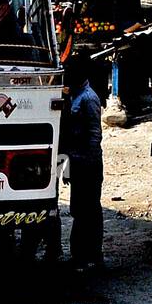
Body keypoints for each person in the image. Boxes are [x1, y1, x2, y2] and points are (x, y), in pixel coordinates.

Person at [64, 50, 105, 271]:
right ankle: (83, 255)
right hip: (79, 162)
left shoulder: (88, 98)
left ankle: (89, 255)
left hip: (87, 164)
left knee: (88, 211)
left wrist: (85, 164)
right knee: (81, 210)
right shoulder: (75, 94)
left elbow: (94, 135)